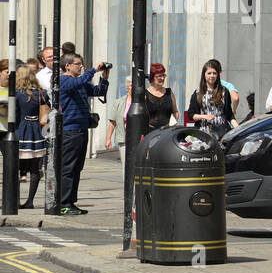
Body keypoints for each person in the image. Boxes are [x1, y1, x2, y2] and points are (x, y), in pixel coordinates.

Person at [58, 53, 110, 215]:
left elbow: (97, 91)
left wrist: (104, 77)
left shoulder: (79, 82)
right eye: (77, 64)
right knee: (69, 168)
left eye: (81, 64)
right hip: (70, 131)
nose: (81, 66)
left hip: (81, 129)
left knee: (77, 168)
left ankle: (71, 202)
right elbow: (78, 82)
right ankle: (63, 203)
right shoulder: (64, 80)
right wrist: (93, 70)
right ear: (67, 66)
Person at [107, 63, 178, 149]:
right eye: (159, 76)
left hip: (167, 134)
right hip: (150, 135)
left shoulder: (169, 93)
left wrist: (174, 121)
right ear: (152, 77)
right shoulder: (144, 94)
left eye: (163, 75)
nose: (162, 78)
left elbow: (175, 111)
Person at [13, 66, 48, 208]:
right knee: (35, 169)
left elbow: (13, 115)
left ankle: (15, 200)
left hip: (21, 131)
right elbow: (47, 112)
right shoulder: (41, 93)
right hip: (37, 132)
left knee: (14, 168)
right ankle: (30, 201)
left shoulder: (16, 94)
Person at [188, 59, 236, 140]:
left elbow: (229, 114)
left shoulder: (224, 91)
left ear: (218, 75)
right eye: (209, 73)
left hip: (222, 133)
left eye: (214, 73)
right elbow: (191, 115)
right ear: (204, 75)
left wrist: (237, 128)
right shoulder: (197, 93)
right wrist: (204, 116)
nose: (212, 76)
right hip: (203, 133)